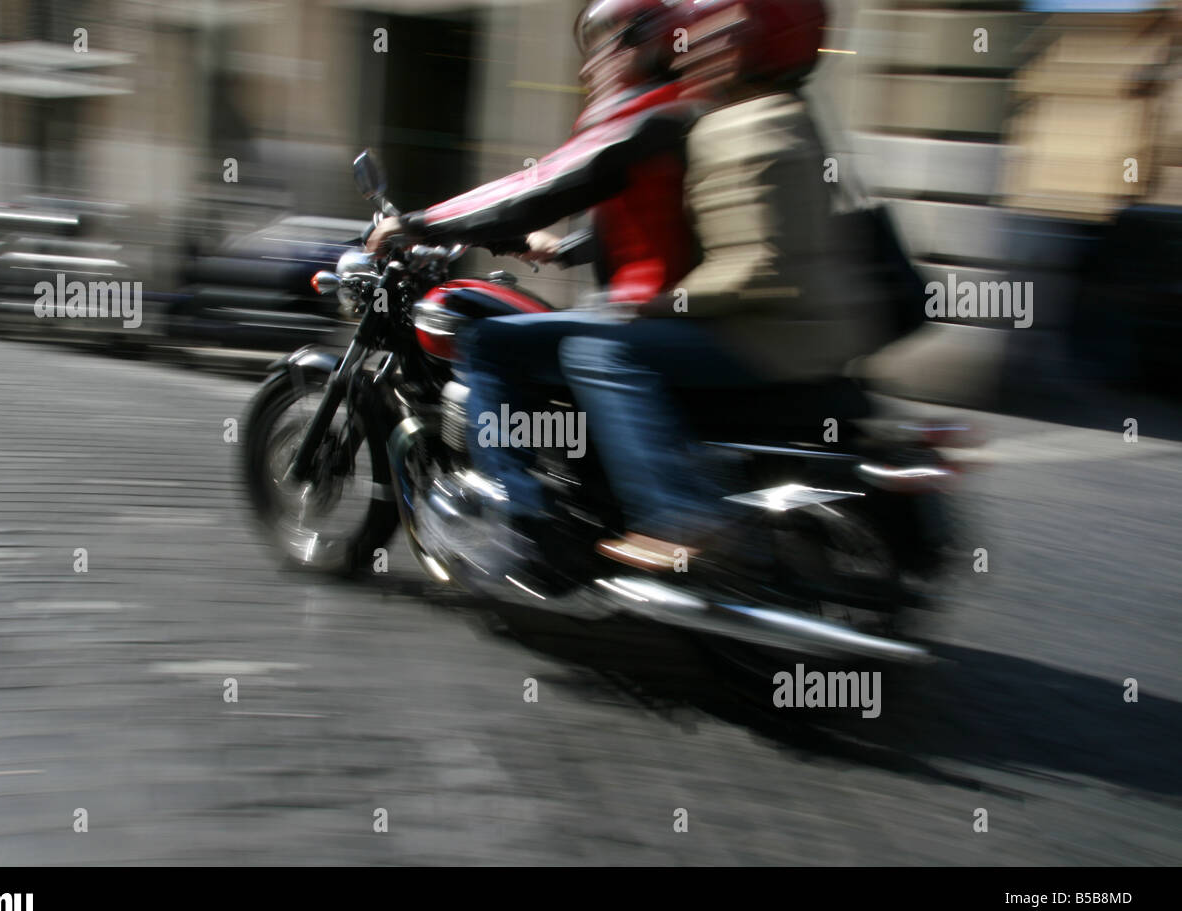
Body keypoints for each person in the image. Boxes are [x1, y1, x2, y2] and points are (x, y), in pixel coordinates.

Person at [366, 0, 702, 586]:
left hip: (644, 315)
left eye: (600, 43)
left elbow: (534, 187)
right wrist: (562, 248)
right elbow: (648, 218)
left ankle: (523, 521)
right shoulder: (676, 114)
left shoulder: (642, 116)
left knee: (492, 344)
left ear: (638, 41)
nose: (587, 66)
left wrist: (418, 223)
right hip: (660, 309)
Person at [557, 0, 889, 572]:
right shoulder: (771, 114)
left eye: (721, 38)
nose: (697, 50)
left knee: (597, 353)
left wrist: (661, 306)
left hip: (772, 337)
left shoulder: (751, 124)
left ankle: (679, 516)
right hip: (799, 328)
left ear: (760, 46)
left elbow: (760, 268)